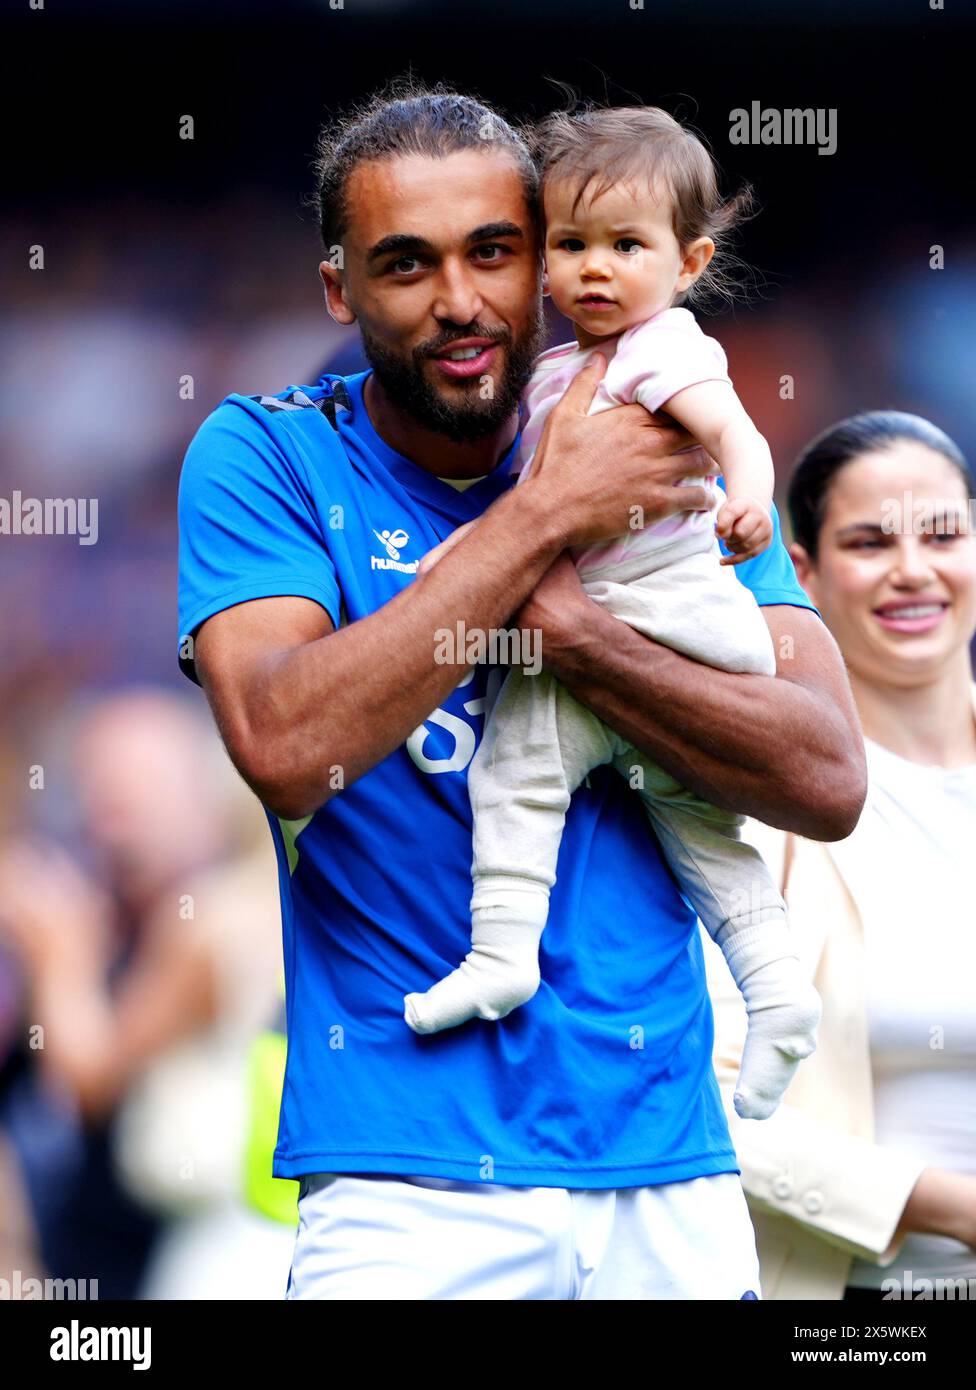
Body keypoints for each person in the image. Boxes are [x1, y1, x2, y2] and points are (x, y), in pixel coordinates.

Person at [177, 81, 865, 1301]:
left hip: (669, 1165)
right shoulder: (266, 452)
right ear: (339, 288)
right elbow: (285, 743)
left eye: (494, 251)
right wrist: (546, 516)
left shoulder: (667, 434)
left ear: (546, 256)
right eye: (405, 264)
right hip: (403, 1180)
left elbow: (822, 775)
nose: (460, 300)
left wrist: (575, 635)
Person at [402, 106, 822, 1123]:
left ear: (688, 262)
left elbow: (735, 429)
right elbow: (535, 509)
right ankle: (777, 994)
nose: (593, 269)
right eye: (569, 244)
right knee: (700, 833)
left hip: (654, 619)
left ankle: (502, 951)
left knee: (512, 765)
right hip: (647, 624)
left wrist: (746, 494)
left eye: (625, 245)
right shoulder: (553, 371)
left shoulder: (659, 348)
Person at [705, 411, 976, 1299]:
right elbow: (699, 1099)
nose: (913, 570)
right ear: (805, 570)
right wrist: (950, 1209)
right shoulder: (757, 802)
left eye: (943, 534)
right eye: (869, 541)